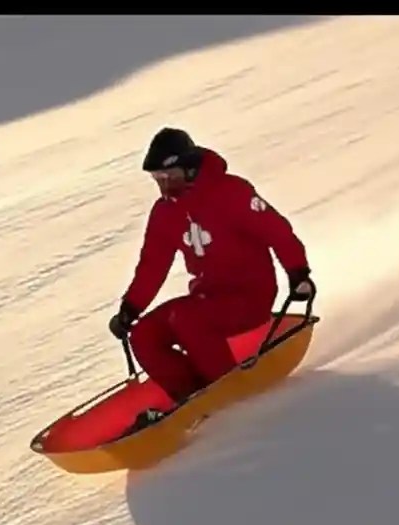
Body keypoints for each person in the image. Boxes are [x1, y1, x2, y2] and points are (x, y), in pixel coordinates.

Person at [108, 127, 316, 414]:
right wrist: (130, 309)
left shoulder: (231, 192)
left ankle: (227, 394)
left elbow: (276, 231)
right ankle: (189, 396)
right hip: (207, 299)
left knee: (186, 319)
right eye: (158, 180)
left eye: (170, 177)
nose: (164, 186)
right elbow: (152, 265)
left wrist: (298, 273)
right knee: (145, 334)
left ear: (190, 169)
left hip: (249, 295)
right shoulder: (165, 213)